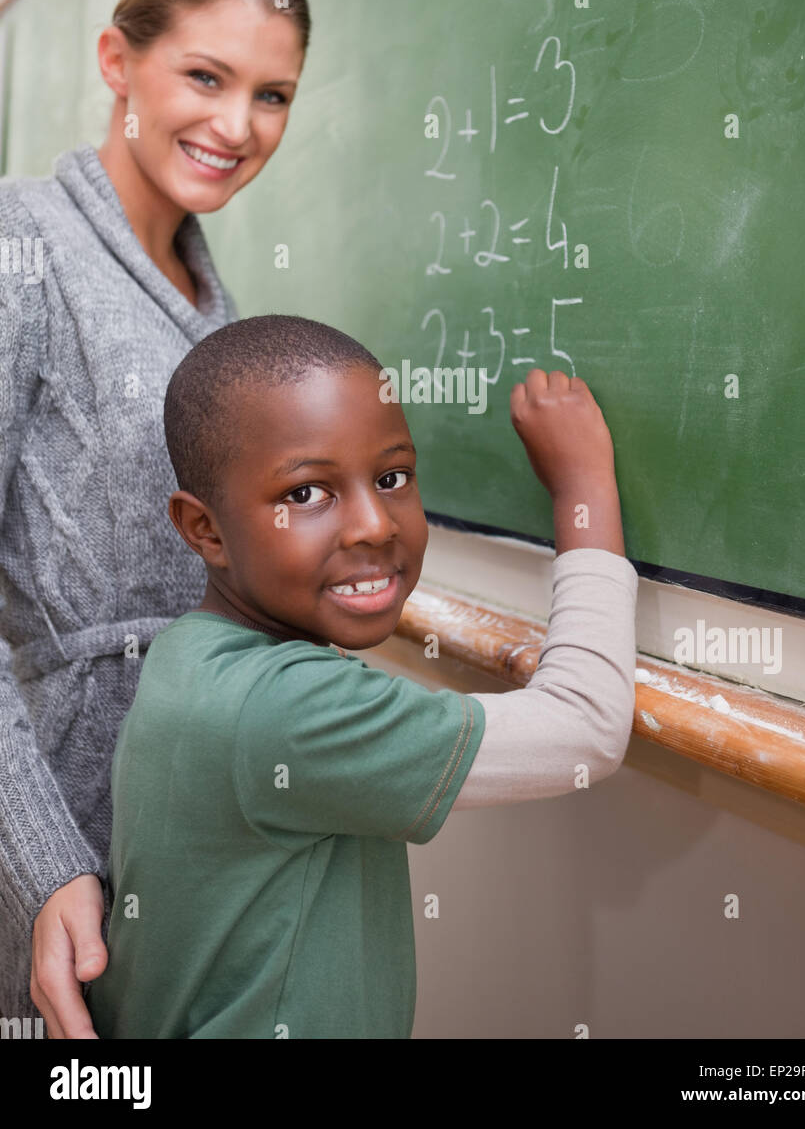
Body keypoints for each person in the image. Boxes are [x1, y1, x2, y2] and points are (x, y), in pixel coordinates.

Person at [85, 313, 638, 1038]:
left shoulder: (188, 656)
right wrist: (582, 490)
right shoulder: (288, 709)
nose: (375, 524)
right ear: (206, 531)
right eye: (307, 494)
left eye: (392, 477)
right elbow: (586, 730)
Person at [0, 0, 311, 1036]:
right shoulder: (19, 241)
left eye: (272, 94)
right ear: (115, 59)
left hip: (197, 852)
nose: (237, 126)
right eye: (204, 75)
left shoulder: (219, 315)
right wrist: (40, 869)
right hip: (55, 852)